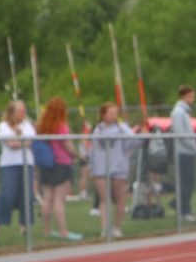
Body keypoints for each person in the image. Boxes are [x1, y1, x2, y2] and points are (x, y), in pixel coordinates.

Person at [0, 100, 37, 238]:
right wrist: (22, 140)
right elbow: (11, 144)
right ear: (12, 112)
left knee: (26, 195)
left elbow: (31, 141)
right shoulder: (3, 126)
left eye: (24, 110)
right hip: (9, 164)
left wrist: (20, 139)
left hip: (27, 163)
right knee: (7, 194)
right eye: (20, 111)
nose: (23, 113)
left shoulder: (27, 125)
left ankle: (24, 227)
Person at [89, 102, 138, 239]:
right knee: (104, 198)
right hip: (101, 167)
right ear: (103, 114)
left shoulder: (122, 128)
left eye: (115, 113)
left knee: (120, 197)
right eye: (110, 113)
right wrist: (91, 167)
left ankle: (117, 227)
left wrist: (142, 134)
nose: (113, 115)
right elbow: (93, 150)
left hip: (118, 166)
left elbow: (133, 142)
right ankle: (105, 228)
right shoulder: (98, 129)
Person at [36, 96, 83, 241]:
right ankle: (63, 231)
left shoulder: (41, 126)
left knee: (47, 197)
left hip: (46, 164)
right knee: (58, 199)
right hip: (62, 163)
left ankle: (47, 230)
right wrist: (79, 156)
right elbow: (68, 146)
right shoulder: (61, 126)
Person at [170, 85, 196, 223]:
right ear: (184, 96)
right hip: (183, 152)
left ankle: (180, 205)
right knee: (185, 183)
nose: (193, 99)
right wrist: (193, 147)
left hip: (188, 151)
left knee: (189, 182)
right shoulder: (178, 112)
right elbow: (181, 134)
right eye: (190, 96)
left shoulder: (184, 111)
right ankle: (184, 210)